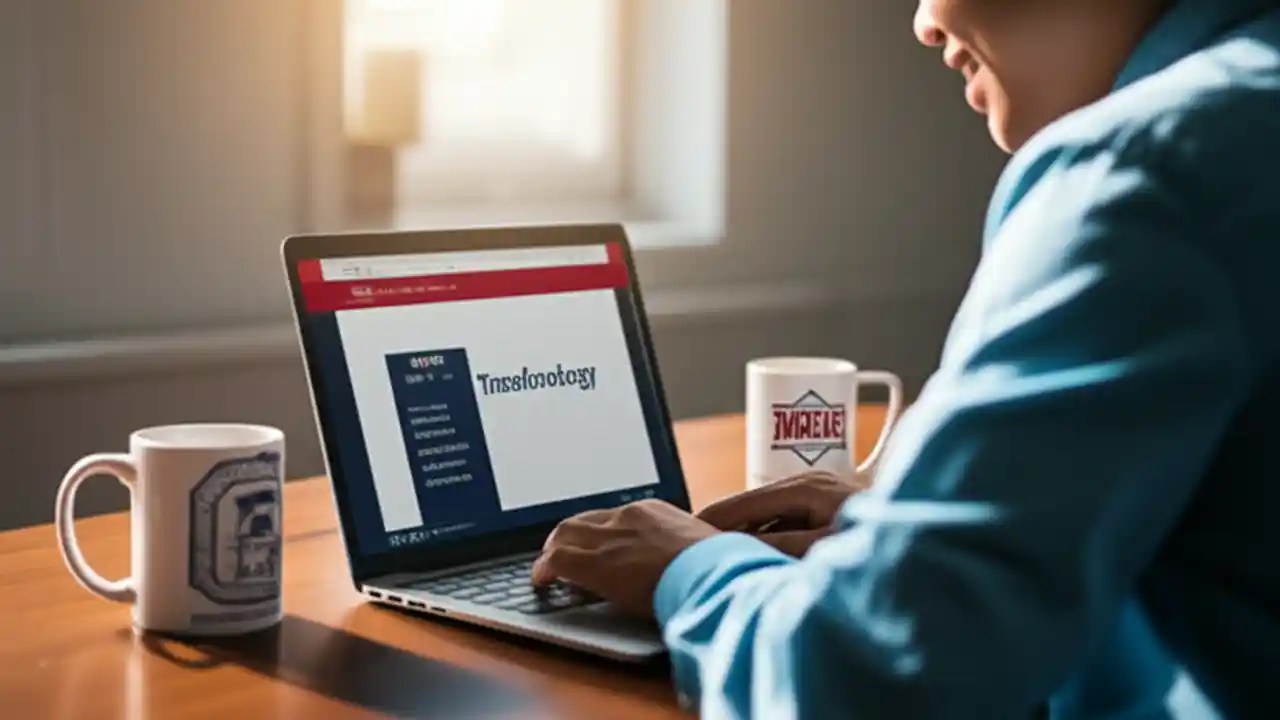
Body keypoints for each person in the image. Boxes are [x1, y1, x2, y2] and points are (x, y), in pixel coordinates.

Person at [532, 0, 1280, 717]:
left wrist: (687, 571)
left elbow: (864, 685)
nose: (924, 24)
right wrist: (928, 541)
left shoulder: (1143, 173)